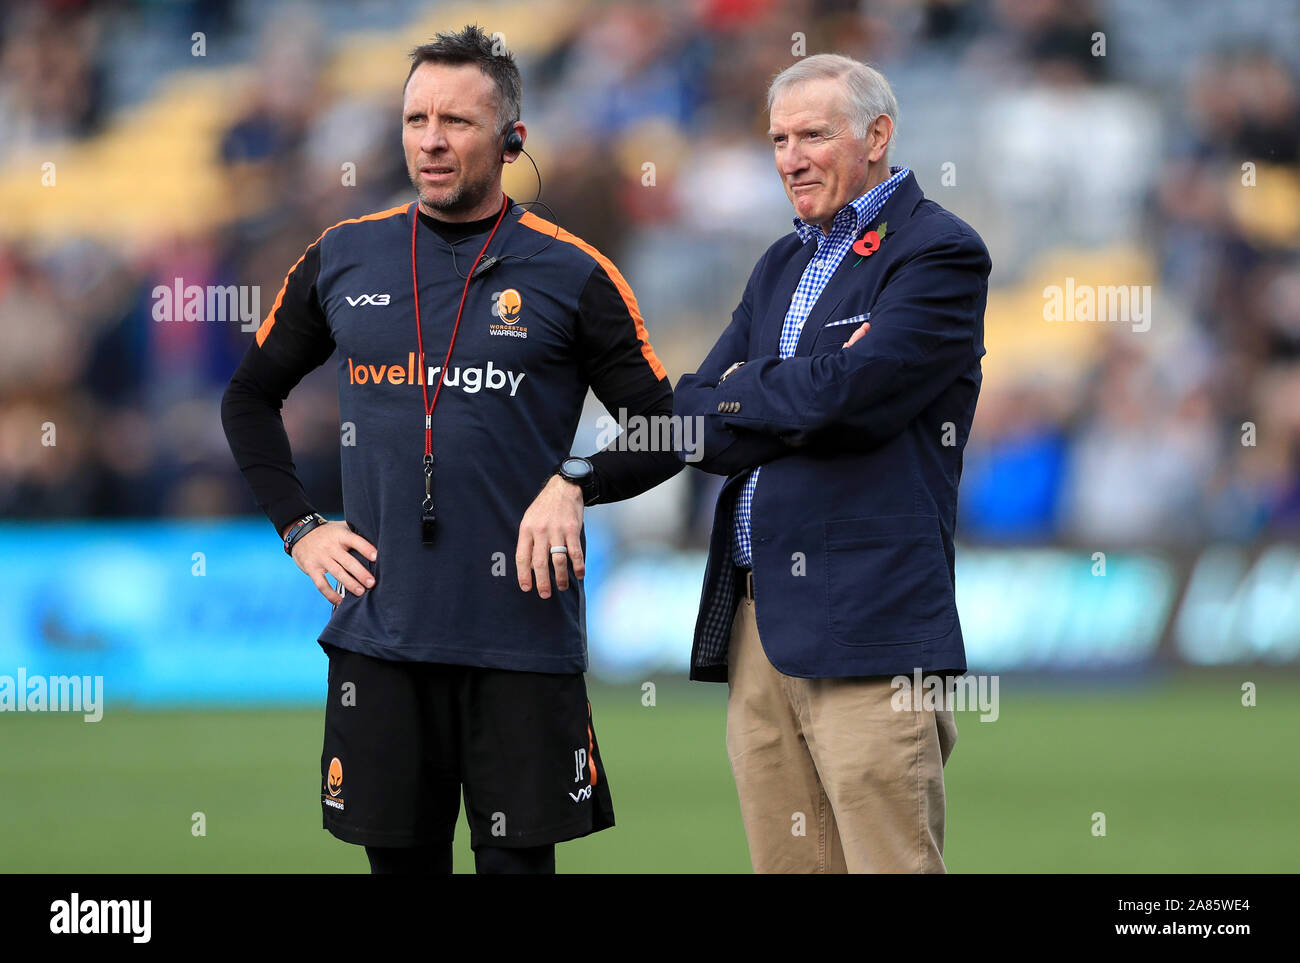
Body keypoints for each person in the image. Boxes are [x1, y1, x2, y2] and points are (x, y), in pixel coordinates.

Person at [220, 25, 680, 874]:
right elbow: (249, 396)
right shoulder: (342, 255)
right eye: (415, 118)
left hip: (520, 642)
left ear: (512, 141)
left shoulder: (573, 274)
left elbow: (670, 428)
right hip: (382, 640)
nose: (431, 140)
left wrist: (576, 480)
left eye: (457, 122)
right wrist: (300, 525)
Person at [673, 54, 991, 873]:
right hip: (757, 619)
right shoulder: (781, 262)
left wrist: (754, 391)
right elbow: (690, 418)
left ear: (878, 135)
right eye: (778, 138)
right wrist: (788, 391)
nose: (789, 156)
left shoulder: (941, 251)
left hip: (869, 618)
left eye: (813, 134)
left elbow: (844, 400)